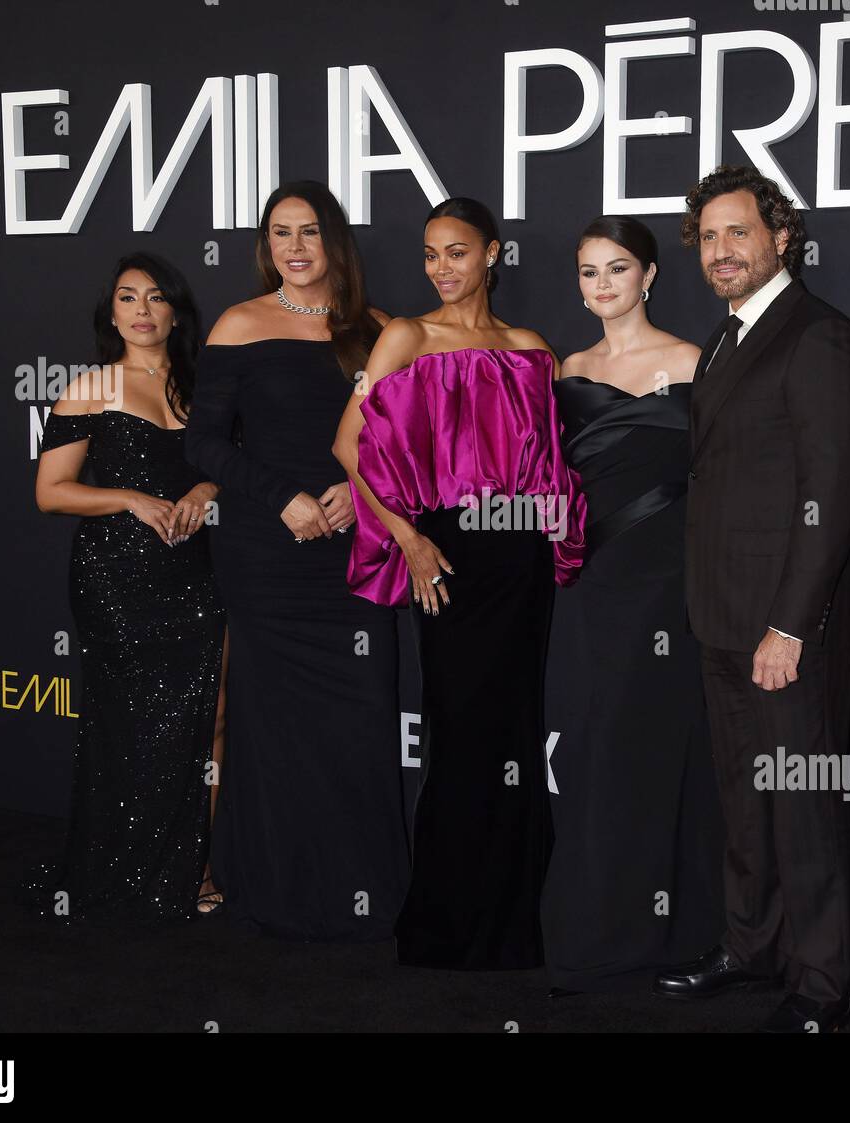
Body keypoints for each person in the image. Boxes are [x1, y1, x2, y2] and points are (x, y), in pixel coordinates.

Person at [333, 197, 586, 970]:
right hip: (444, 552)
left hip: (519, 560)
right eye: (431, 254)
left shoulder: (530, 347)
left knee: (513, 726)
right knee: (457, 725)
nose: (442, 267)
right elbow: (350, 445)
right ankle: (444, 923)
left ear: (493, 255)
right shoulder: (405, 337)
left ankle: (514, 925)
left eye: (458, 252)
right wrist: (408, 537)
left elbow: (549, 460)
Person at [654, 165, 850, 1033]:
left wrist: (791, 623)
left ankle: (821, 985)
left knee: (805, 808)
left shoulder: (821, 337)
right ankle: (749, 947)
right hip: (721, 613)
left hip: (790, 626)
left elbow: (832, 495)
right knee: (745, 799)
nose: (720, 251)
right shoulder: (723, 338)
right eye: (708, 237)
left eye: (737, 232)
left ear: (781, 236)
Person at [184, 181, 410, 941]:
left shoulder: (376, 330)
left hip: (355, 552)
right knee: (271, 723)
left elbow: (399, 444)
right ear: (265, 245)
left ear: (333, 240)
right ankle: (272, 886)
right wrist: (283, 497)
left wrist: (356, 488)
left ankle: (360, 891)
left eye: (309, 231)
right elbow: (205, 441)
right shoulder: (241, 323)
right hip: (265, 550)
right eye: (281, 233)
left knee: (361, 716)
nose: (295, 247)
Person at [541, 216, 724, 993]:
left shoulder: (694, 360)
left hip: (668, 580)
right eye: (589, 272)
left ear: (648, 275)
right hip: (591, 583)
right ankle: (597, 923)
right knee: (592, 744)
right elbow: (546, 476)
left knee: (659, 744)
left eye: (617, 269)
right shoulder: (564, 367)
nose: (603, 285)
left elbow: (720, 477)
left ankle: (677, 927)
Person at [24, 252, 227, 924]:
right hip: (116, 579)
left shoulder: (202, 391)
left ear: (175, 310)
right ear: (111, 312)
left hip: (193, 576)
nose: (141, 309)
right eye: (127, 297)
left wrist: (204, 487)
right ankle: (121, 865)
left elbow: (228, 465)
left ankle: (189, 868)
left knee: (201, 724)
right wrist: (131, 499)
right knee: (127, 725)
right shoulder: (89, 387)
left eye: (155, 297)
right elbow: (50, 492)